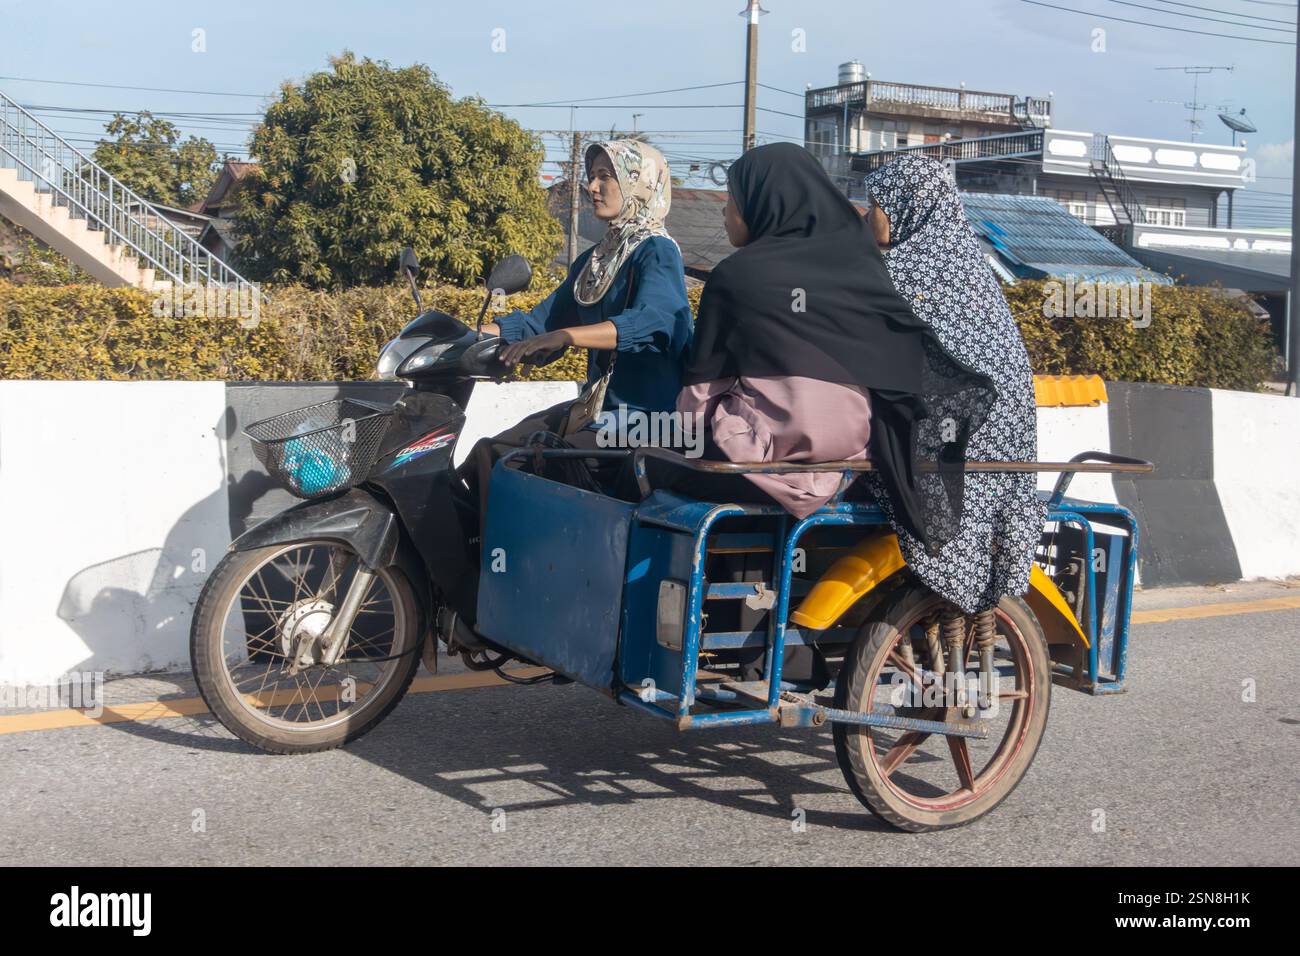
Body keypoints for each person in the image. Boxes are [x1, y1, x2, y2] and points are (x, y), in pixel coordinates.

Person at [667, 142, 994, 549]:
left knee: (632, 464)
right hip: (855, 463)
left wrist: (681, 437)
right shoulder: (864, 268)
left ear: (762, 202)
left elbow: (698, 399)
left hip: (760, 460)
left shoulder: (737, 277)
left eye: (733, 199)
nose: (724, 211)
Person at [861, 154, 1045, 613]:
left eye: (874, 205)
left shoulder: (905, 272)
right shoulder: (966, 263)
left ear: (907, 206)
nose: (867, 216)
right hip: (990, 446)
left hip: (962, 448)